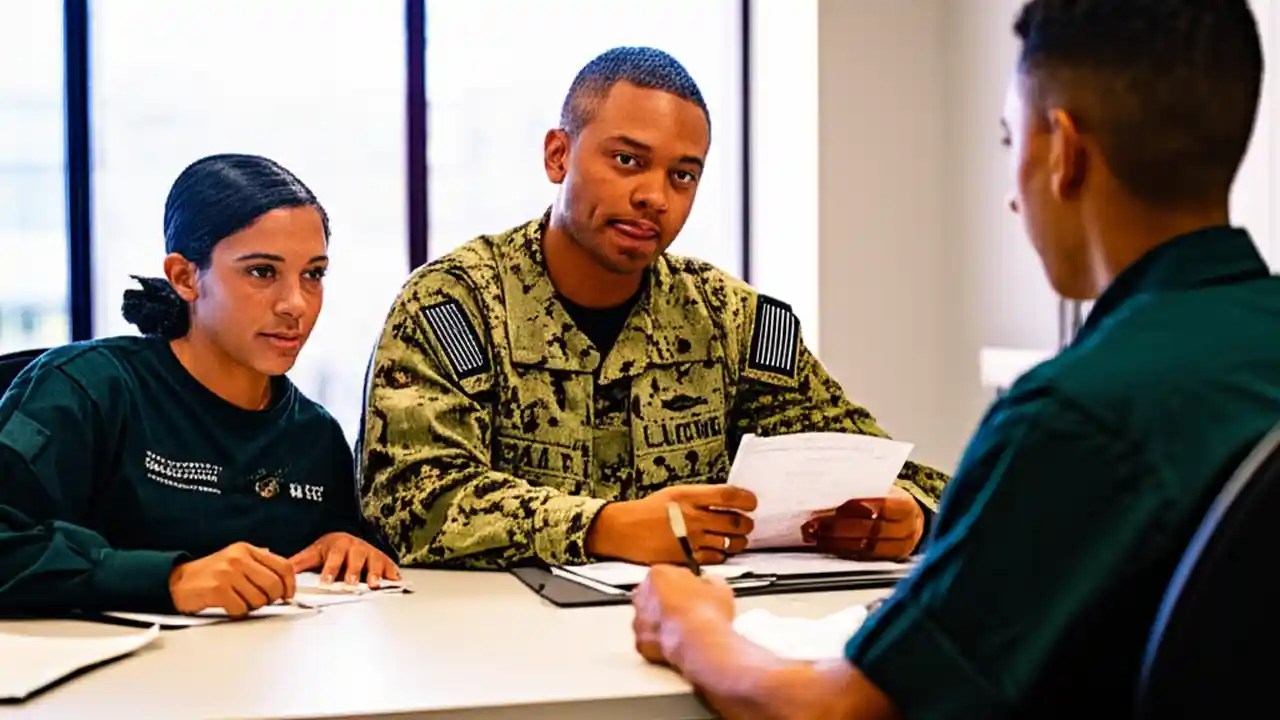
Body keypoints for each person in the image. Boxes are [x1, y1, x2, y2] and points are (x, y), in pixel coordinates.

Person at [630, 1, 1280, 718]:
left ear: (1063, 153)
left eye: (1010, 140)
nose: (1011, 193)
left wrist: (691, 626)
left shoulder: (1077, 414)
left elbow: (837, 712)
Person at [359, 46, 950, 570]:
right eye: (627, 161)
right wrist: (606, 526)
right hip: (495, 657)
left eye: (682, 175)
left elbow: (876, 462)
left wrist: (909, 514)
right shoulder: (454, 304)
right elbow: (410, 500)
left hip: (684, 646)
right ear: (558, 155)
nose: (653, 196)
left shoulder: (732, 320)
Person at [0, 154, 398, 619]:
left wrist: (345, 547)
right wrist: (168, 579)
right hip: (104, 684)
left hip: (273, 683)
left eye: (313, 274)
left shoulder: (315, 435)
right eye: (262, 272)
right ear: (185, 277)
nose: (296, 304)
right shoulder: (84, 392)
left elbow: (332, 560)